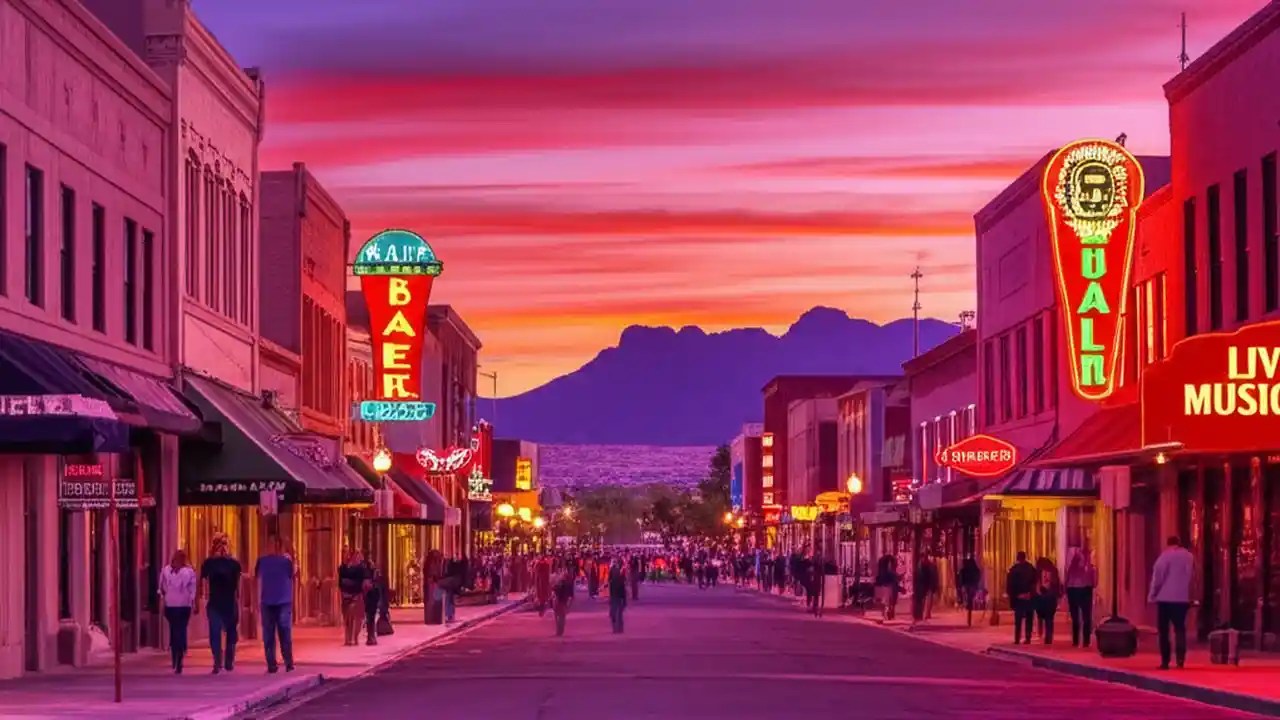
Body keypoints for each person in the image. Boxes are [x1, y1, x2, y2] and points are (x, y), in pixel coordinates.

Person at [1149, 536, 1195, 670]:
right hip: (1182, 598)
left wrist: (1152, 595)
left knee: (1164, 631)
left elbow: (1158, 577)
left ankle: (1165, 660)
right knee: (1180, 628)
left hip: (1165, 598)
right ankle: (1180, 658)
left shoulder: (1164, 557)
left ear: (1168, 544)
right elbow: (1193, 577)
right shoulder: (1189, 557)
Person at [198, 534, 242, 673]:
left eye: (224, 543)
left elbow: (240, 584)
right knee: (215, 632)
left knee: (231, 634)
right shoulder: (209, 563)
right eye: (219, 544)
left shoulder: (234, 564)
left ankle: (229, 660)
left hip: (230, 603)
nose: (222, 547)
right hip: (215, 604)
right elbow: (202, 580)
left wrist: (241, 600)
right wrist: (199, 597)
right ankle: (217, 660)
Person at [255, 536, 296, 673]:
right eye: (269, 544)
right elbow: (257, 580)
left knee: (284, 632)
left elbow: (293, 576)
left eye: (274, 544)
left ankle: (288, 662)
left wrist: (291, 553)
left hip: (283, 601)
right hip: (267, 601)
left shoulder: (286, 562)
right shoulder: (262, 561)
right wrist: (256, 601)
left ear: (279, 547)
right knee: (268, 634)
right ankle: (271, 663)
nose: (271, 547)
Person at [159, 549, 196, 674]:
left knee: (176, 630)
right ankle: (178, 653)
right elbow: (192, 589)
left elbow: (162, 588)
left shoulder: (185, 572)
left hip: (177, 605)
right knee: (178, 629)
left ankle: (177, 654)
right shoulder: (171, 571)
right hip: (179, 605)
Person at [1064, 547, 1098, 648]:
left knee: (1075, 617)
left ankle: (1075, 640)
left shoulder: (1071, 569)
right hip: (1085, 590)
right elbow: (1095, 582)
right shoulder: (1090, 568)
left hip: (1073, 590)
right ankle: (1086, 641)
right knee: (1086, 616)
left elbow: (1067, 580)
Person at [338, 549, 370, 646]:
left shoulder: (361, 569)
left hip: (355, 595)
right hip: (348, 595)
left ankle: (353, 638)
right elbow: (341, 582)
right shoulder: (343, 568)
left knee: (356, 618)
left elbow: (361, 582)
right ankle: (349, 638)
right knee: (348, 618)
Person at [1006, 551, 1038, 645]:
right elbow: (1035, 582)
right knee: (1029, 617)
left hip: (1018, 597)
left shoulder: (1014, 570)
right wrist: (1031, 593)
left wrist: (1013, 595)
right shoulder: (1031, 568)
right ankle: (1028, 638)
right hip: (1029, 596)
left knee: (1018, 619)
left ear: (1017, 558)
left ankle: (1017, 638)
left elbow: (1010, 584)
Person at [1034, 559, 1062, 644]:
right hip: (1049, 597)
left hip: (1046, 597)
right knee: (1049, 618)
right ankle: (1048, 637)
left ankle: (1045, 635)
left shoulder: (1042, 572)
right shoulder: (1052, 571)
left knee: (1046, 617)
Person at [912, 553, 938, 624]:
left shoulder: (931, 566)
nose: (924, 559)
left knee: (928, 599)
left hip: (929, 584)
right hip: (922, 585)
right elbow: (916, 576)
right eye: (923, 558)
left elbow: (935, 576)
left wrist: (935, 585)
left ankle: (927, 613)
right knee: (923, 600)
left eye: (925, 558)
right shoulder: (919, 566)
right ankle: (923, 613)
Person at [875, 553, 899, 621]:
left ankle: (887, 612)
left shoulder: (885, 573)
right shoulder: (891, 574)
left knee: (888, 600)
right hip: (888, 585)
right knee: (889, 600)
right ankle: (888, 612)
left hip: (887, 584)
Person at [959, 555, 982, 627]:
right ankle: (970, 603)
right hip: (973, 585)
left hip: (967, 585)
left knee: (968, 596)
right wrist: (977, 583)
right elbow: (978, 576)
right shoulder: (975, 569)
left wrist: (962, 585)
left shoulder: (964, 569)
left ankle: (968, 603)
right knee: (971, 596)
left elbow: (961, 578)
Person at [553, 565, 575, 637]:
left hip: (559, 601)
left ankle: (559, 630)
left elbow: (554, 590)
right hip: (563, 601)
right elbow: (572, 596)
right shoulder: (569, 584)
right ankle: (560, 630)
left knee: (558, 616)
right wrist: (569, 605)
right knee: (562, 617)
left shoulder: (560, 583)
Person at [608, 560, 628, 633]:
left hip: (616, 595)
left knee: (615, 612)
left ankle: (617, 628)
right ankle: (619, 628)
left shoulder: (615, 573)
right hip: (618, 595)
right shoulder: (619, 574)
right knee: (618, 613)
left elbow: (610, 582)